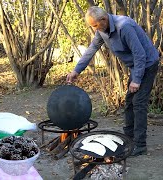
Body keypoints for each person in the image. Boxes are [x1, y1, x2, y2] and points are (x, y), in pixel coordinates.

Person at [66, 6, 160, 156]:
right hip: (136, 66)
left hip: (147, 64)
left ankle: (140, 145)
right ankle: (129, 136)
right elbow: (91, 50)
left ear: (103, 19)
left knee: (139, 102)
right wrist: (76, 70)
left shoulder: (124, 26)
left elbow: (140, 54)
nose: (94, 29)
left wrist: (136, 80)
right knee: (129, 101)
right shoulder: (101, 31)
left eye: (95, 25)